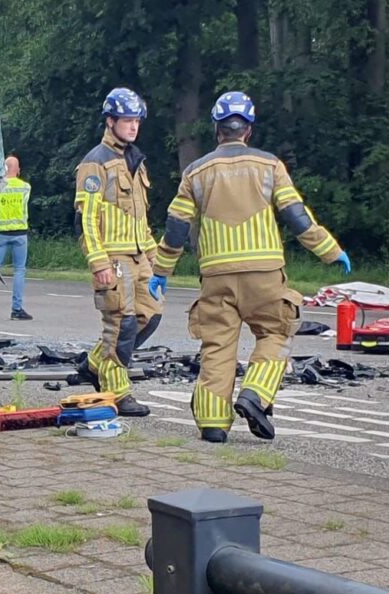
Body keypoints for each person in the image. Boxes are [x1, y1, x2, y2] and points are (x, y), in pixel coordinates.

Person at [149, 92, 349, 442]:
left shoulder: (195, 172)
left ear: (217, 130)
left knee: (217, 347)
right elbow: (296, 217)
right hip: (265, 275)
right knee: (276, 333)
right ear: (249, 130)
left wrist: (160, 272)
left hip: (216, 278)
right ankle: (255, 394)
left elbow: (176, 227)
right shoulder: (270, 166)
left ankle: (213, 425)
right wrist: (331, 251)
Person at [73, 87, 162, 417]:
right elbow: (88, 220)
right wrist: (99, 262)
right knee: (121, 325)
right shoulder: (95, 163)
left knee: (150, 315)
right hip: (114, 257)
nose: (133, 126)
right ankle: (117, 391)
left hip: (139, 256)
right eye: (127, 120)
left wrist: (153, 255)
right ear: (110, 121)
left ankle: (96, 362)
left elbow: (140, 214)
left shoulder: (134, 160)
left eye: (136, 120)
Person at [0, 154, 33, 320]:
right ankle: (16, 309)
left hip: (1, 233)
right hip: (20, 232)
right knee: (19, 271)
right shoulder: (25, 187)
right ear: (18, 170)